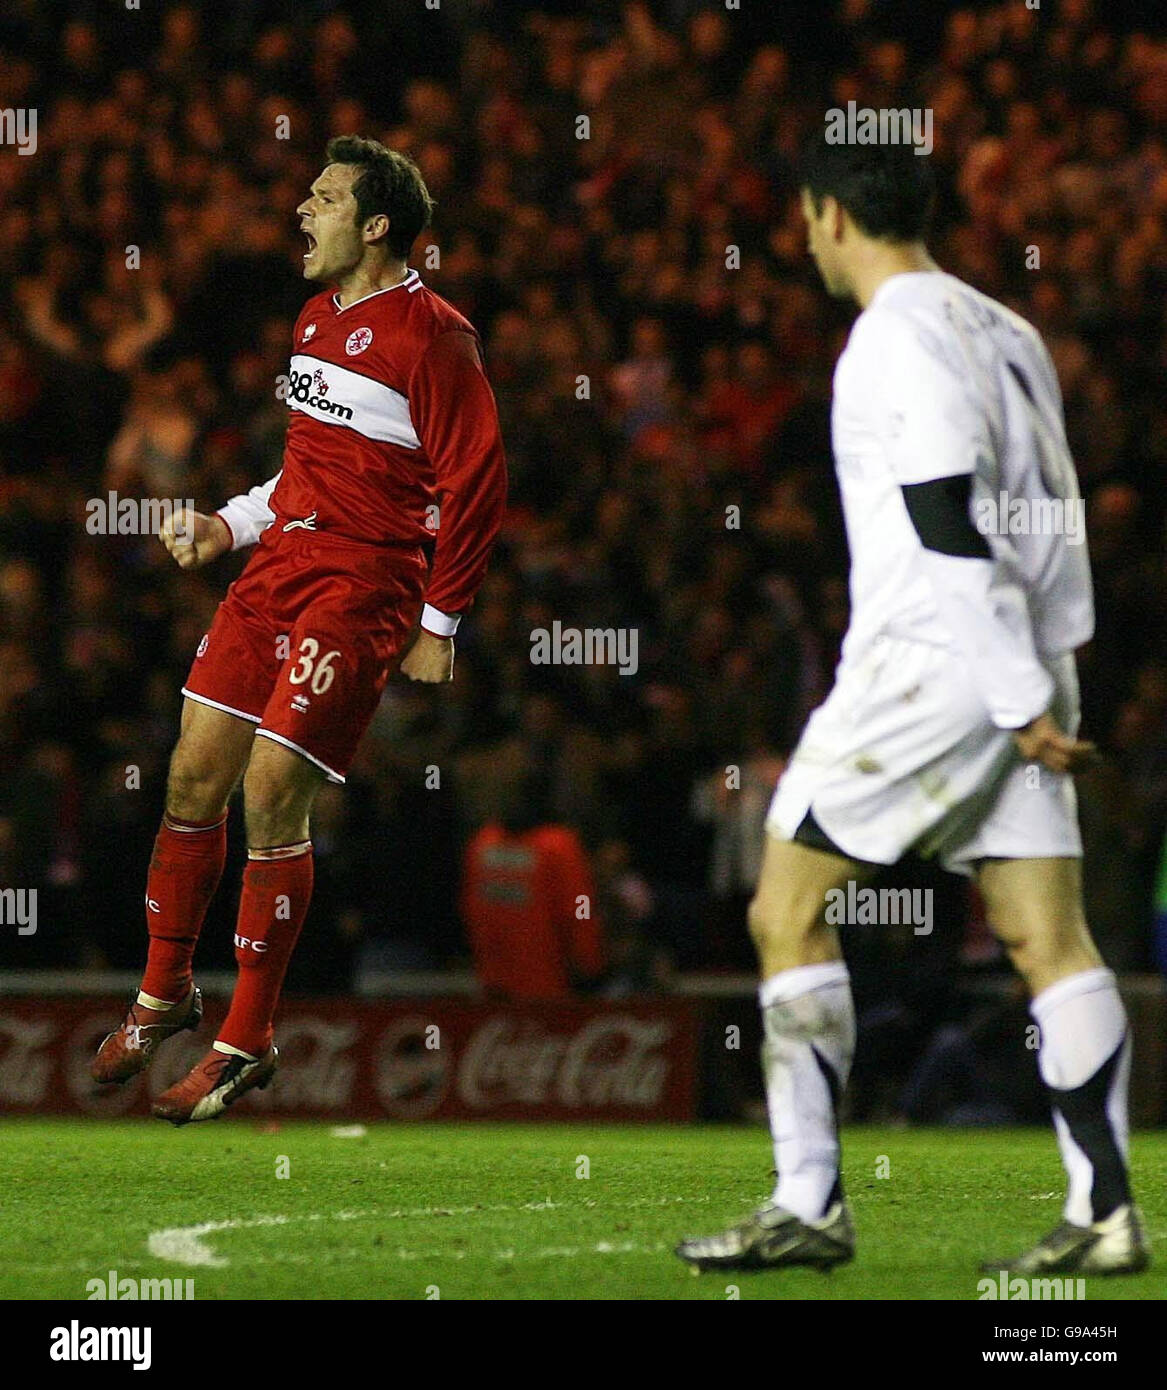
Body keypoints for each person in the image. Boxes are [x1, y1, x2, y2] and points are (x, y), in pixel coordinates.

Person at [676, 135, 1148, 1276]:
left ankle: (809, 1200)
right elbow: (1058, 506)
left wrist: (1014, 689)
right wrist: (1050, 661)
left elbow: (946, 514)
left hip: (935, 658)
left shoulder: (892, 337)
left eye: (802, 216)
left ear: (833, 213)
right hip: (1020, 645)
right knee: (1049, 936)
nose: (800, 237)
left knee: (785, 904)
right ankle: (1106, 1213)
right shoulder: (1007, 327)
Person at [92, 136, 507, 1123]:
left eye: (322, 199)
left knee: (273, 791)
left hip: (363, 581)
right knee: (194, 771)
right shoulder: (316, 319)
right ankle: (167, 992)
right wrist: (225, 525)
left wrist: (440, 619)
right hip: (280, 567)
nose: (300, 211)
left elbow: (478, 479)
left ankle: (247, 1037)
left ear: (375, 226)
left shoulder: (436, 336)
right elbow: (302, 473)